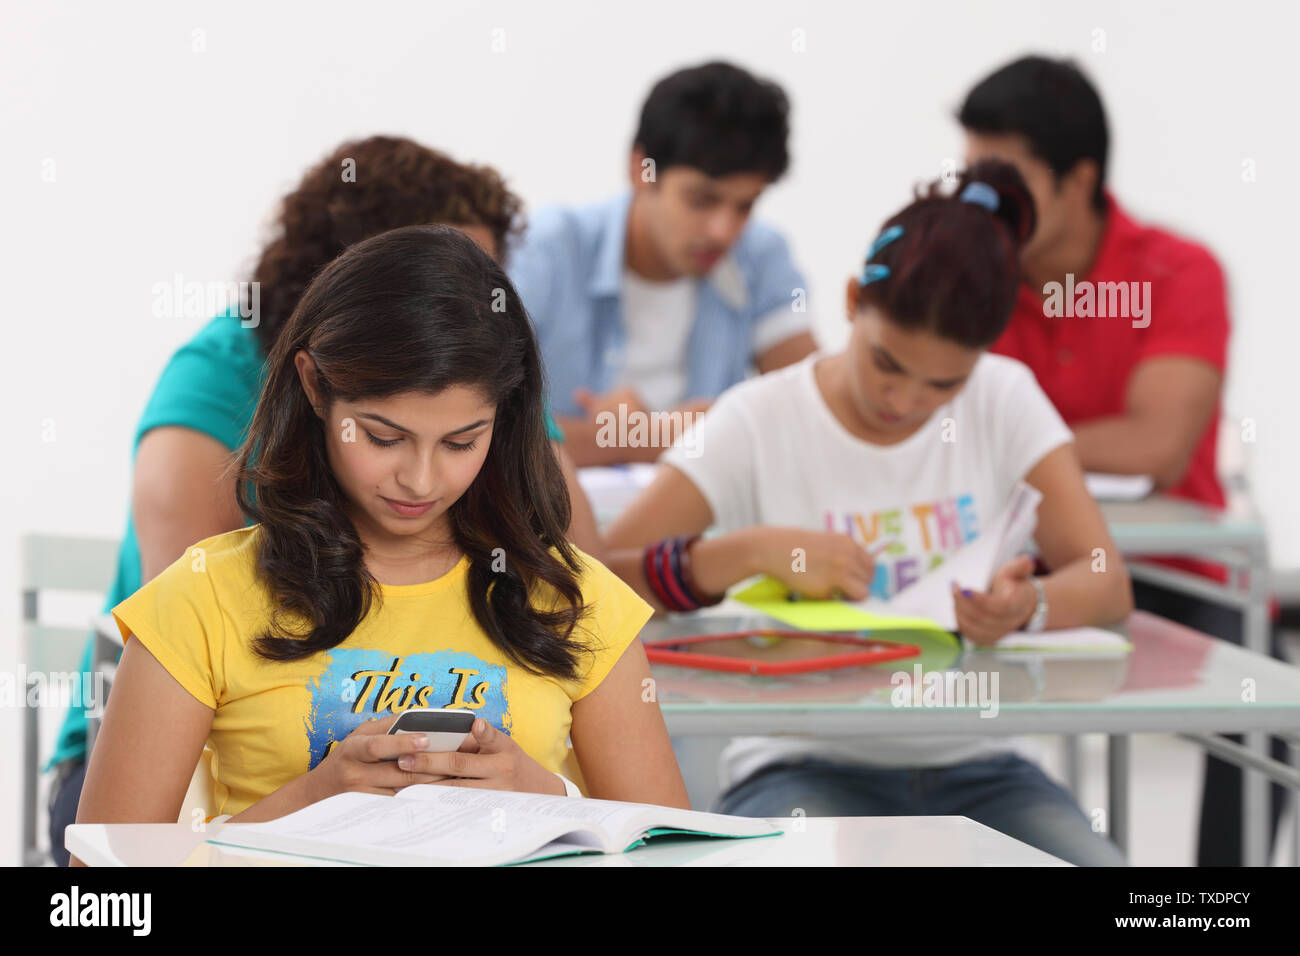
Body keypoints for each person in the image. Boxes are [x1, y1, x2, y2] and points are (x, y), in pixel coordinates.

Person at [46, 135, 600, 865]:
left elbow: (569, 552)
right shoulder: (215, 380)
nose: (463, 315)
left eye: (486, 291)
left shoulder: (475, 375)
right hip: (184, 749)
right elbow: (186, 637)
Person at [602, 160, 1134, 866]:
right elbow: (595, 585)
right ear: (854, 301)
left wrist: (1029, 603)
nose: (906, 401)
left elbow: (1104, 580)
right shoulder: (761, 418)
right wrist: (748, 551)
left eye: (944, 382)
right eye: (887, 363)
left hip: (983, 764)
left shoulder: (1004, 398)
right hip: (803, 763)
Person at [958, 55, 1285, 866]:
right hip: (1010, 567)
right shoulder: (971, 275)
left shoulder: (1178, 271)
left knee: (1265, 705)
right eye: (972, 175)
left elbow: (1158, 446)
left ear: (1079, 179)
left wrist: (1021, 435)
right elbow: (937, 423)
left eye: (1007, 176)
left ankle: (1218, 902)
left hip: (1176, 578)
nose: (984, 200)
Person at [508, 60, 817, 466]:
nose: (723, 231)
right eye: (701, 200)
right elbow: (481, 427)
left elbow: (810, 416)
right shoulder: (548, 249)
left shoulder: (760, 255)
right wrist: (640, 437)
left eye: (744, 206)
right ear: (641, 169)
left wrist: (615, 436)